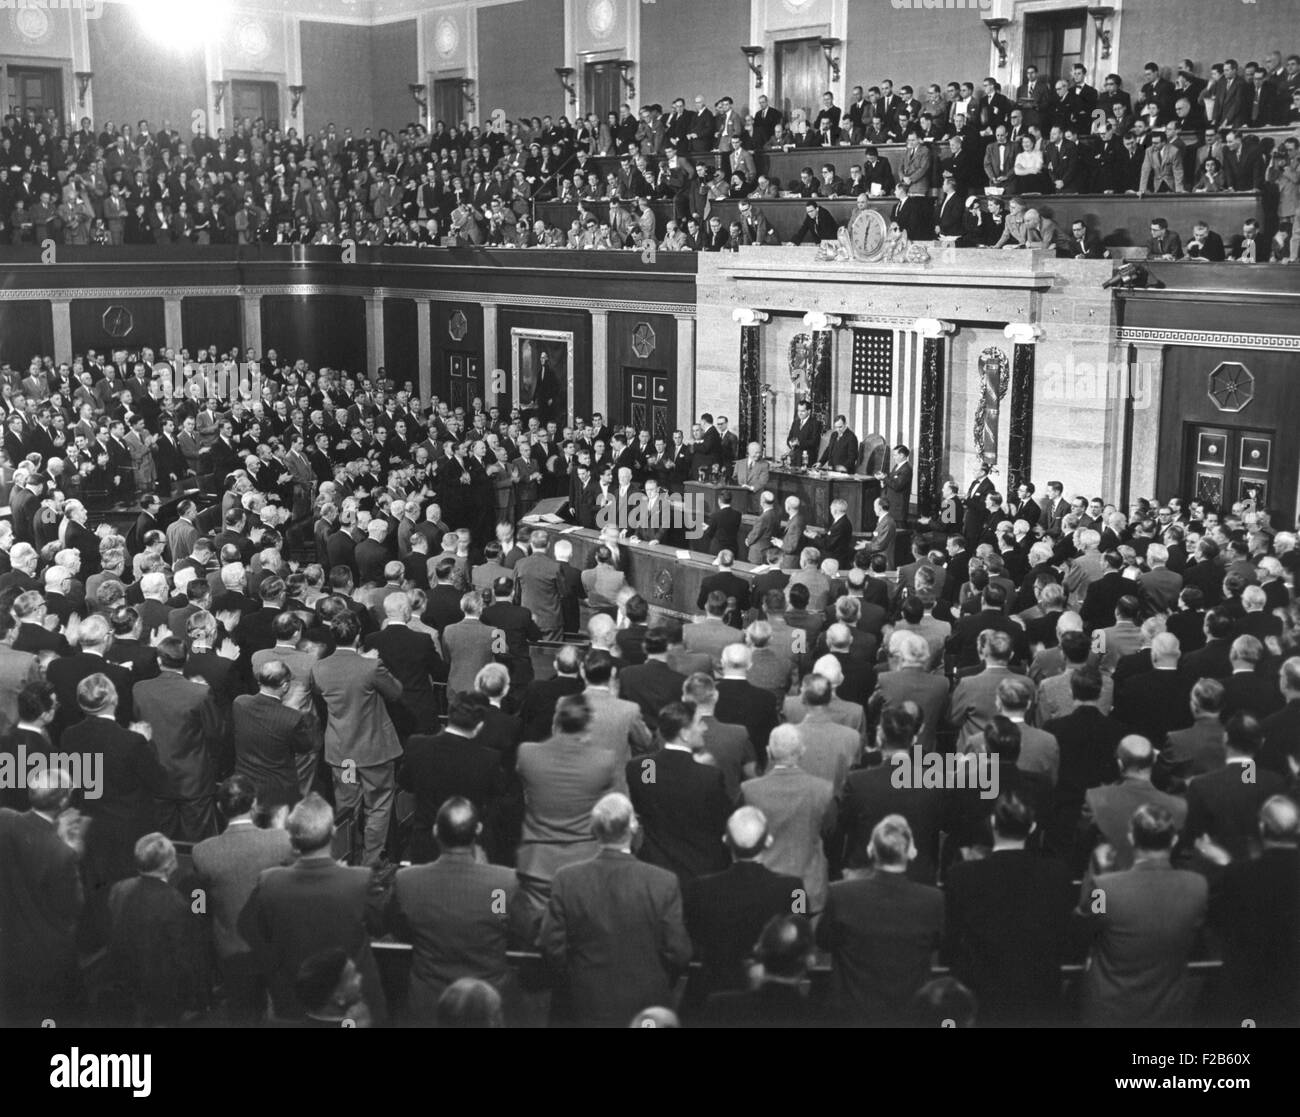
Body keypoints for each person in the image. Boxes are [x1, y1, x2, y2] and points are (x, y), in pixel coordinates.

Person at [538, 792, 693, 1027]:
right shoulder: (663, 882)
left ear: (594, 830)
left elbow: (551, 946)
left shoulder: (567, 879)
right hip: (646, 1008)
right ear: (633, 828)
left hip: (584, 1004)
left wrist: (577, 979)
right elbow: (679, 952)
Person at [240, 793, 387, 1023]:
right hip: (350, 1005)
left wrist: (276, 969)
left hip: (292, 998)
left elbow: (247, 928)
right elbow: (380, 926)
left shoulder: (270, 882)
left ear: (292, 838)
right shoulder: (358, 880)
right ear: (334, 833)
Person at [387, 797, 527, 1022]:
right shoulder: (503, 883)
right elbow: (512, 929)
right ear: (478, 830)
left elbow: (399, 930)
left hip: (427, 1005)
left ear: (435, 831)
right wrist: (487, 874)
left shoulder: (407, 881)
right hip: (487, 1008)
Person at [943, 792, 1072, 1024]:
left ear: (992, 823)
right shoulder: (1057, 874)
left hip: (982, 995)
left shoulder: (961, 876)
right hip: (1039, 995)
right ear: (1032, 827)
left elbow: (951, 939)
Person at [1079, 804, 1207, 1026]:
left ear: (1131, 837)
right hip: (1169, 1010)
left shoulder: (1105, 888)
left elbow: (1082, 927)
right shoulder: (1197, 886)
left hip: (1111, 1011)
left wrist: (1097, 874)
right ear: (1174, 840)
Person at [817, 815, 944, 1024]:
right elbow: (941, 944)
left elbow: (823, 940)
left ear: (870, 850)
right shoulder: (933, 900)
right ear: (911, 851)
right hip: (910, 1018)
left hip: (855, 1017)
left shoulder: (841, 895)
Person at [309, 610, 403, 866]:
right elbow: (395, 692)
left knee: (347, 807)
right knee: (379, 805)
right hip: (375, 752)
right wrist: (368, 660)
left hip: (343, 754)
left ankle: (347, 857)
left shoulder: (319, 667)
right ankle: (371, 861)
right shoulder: (371, 666)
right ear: (358, 635)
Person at [0, 768, 84, 1026]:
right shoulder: (62, 853)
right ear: (63, 801)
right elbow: (73, 906)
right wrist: (72, 846)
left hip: (8, 945)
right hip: (48, 955)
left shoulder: (4, 818)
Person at [106, 831, 205, 1025]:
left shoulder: (119, 888)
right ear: (169, 865)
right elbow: (182, 957)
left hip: (124, 981)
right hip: (161, 993)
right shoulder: (175, 902)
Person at [627, 701, 732, 883]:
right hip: (699, 872)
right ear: (684, 733)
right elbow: (722, 822)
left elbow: (648, 789)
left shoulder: (645, 767)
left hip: (655, 869)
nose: (705, 728)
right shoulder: (708, 776)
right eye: (699, 722)